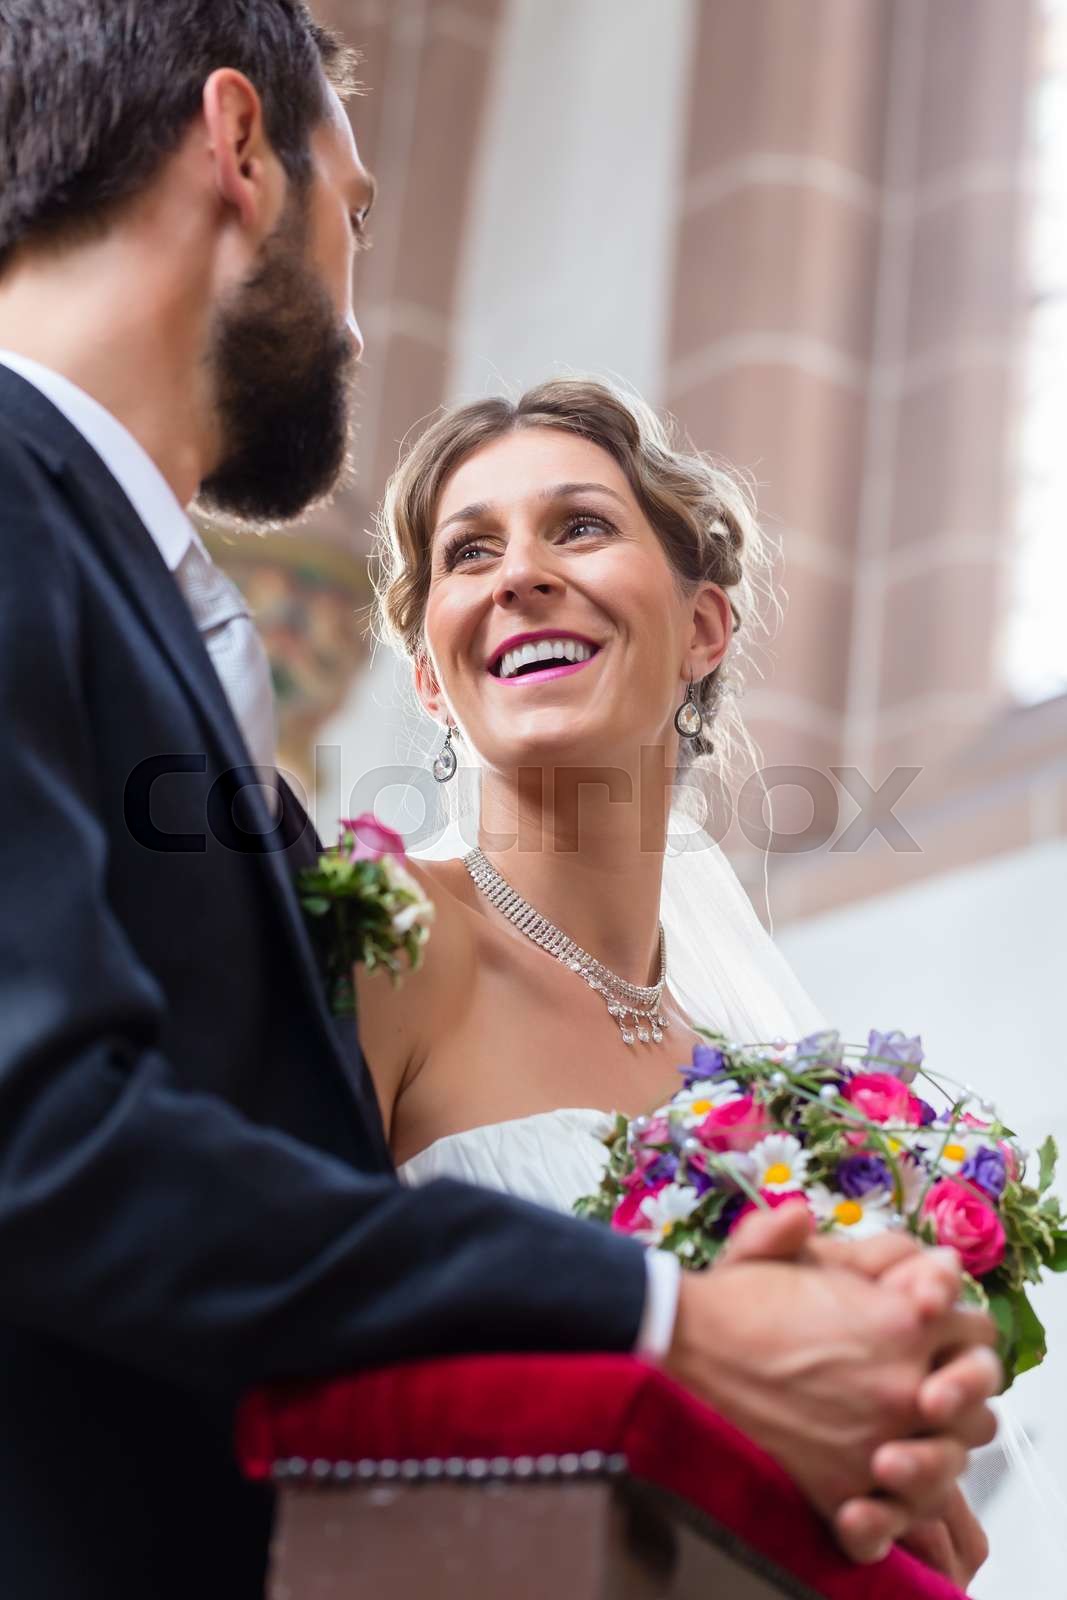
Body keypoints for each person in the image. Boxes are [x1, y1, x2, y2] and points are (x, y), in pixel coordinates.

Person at [0, 4, 997, 1597]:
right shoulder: (31, 513)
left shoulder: (148, 606)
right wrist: (678, 1329)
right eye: (363, 216)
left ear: (705, 619)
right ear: (239, 147)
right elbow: (64, 1146)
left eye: (579, 529)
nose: (353, 312)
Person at [366, 378, 996, 1589]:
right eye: (470, 549)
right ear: (431, 681)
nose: (519, 574)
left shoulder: (759, 1082)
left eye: (580, 526)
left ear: (704, 628)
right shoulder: (392, 947)